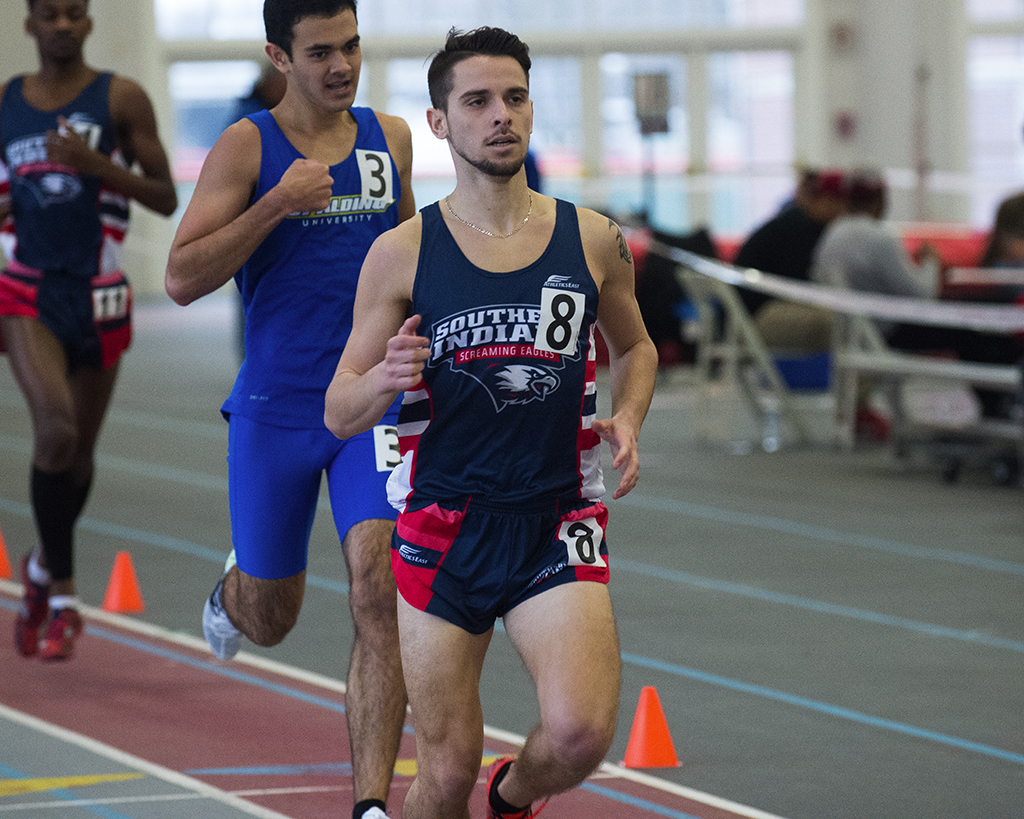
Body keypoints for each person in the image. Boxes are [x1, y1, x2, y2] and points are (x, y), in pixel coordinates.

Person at [325, 26, 659, 819]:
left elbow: (637, 344)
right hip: (444, 525)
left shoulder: (593, 237)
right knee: (444, 771)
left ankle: (514, 795)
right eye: (476, 101)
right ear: (441, 122)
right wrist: (383, 378)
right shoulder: (403, 253)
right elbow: (339, 408)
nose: (500, 116)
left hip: (555, 514)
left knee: (580, 734)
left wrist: (630, 415)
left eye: (514, 97)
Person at [164, 2, 415, 818]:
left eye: (351, 47)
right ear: (279, 54)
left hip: (372, 399)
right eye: (319, 52)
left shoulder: (392, 137)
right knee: (271, 617)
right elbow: (181, 277)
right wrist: (274, 203)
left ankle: (370, 803)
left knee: (380, 586)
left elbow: (411, 258)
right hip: (277, 405)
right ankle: (234, 589)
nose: (341, 66)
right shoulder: (248, 144)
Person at [2, 0, 177, 661]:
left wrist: (93, 163)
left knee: (77, 457)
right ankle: (66, 598)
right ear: (30, 25)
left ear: (88, 23)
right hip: (27, 291)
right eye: (51, 15)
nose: (64, 26)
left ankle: (42, 566)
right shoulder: (8, 103)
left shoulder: (120, 99)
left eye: (75, 14)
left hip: (101, 295)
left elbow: (163, 196)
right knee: (56, 429)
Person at [733, 167, 847, 351]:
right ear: (822, 200)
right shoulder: (798, 228)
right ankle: (861, 379)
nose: (843, 212)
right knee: (841, 323)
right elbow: (802, 286)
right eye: (838, 203)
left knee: (844, 319)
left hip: (750, 315)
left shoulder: (800, 222)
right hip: (755, 319)